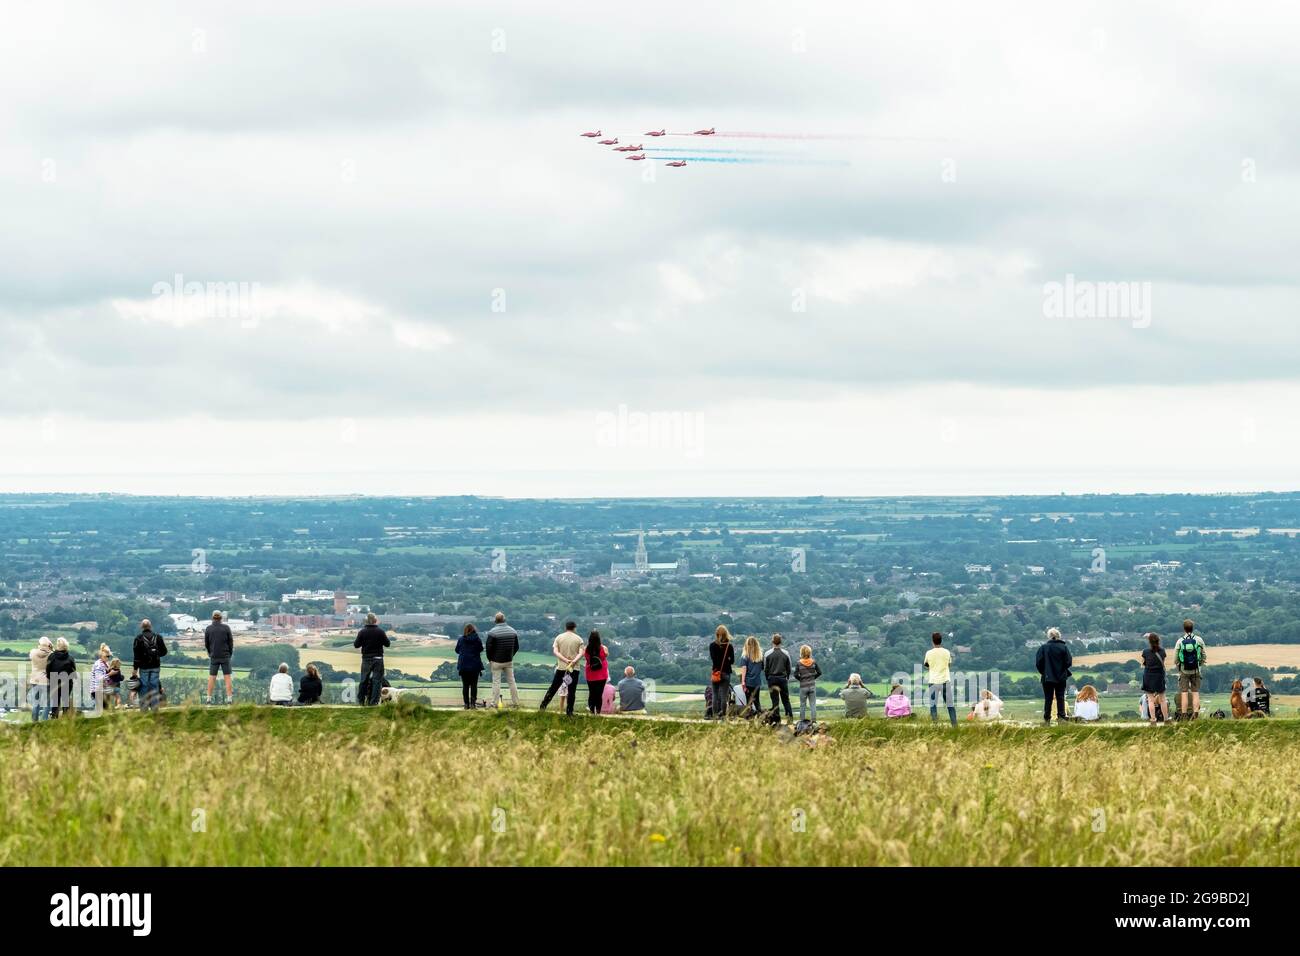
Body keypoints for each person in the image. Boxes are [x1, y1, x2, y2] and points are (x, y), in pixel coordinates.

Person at [540, 620, 583, 715]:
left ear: (565, 627)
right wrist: (573, 661)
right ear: (574, 628)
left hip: (561, 668)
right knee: (572, 691)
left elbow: (555, 652)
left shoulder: (559, 637)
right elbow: (581, 653)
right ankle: (569, 712)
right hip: (574, 668)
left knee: (553, 688)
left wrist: (565, 660)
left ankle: (543, 706)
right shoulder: (579, 639)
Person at [1035, 627, 1072, 724]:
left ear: (1049, 636)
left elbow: (1038, 663)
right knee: (1060, 697)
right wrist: (1062, 669)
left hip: (1047, 677)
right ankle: (1061, 717)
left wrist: (1044, 672)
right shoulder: (1064, 647)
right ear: (1059, 636)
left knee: (1048, 698)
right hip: (1061, 676)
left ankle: (1047, 718)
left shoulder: (1043, 648)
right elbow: (1068, 662)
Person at [484, 612, 520, 709]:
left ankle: (494, 703)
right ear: (504, 620)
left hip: (496, 661)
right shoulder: (513, 631)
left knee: (496, 682)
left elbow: (488, 647)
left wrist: (490, 659)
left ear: (495, 621)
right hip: (508, 661)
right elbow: (517, 646)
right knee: (512, 682)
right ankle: (516, 703)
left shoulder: (492, 632)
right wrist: (511, 655)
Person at [353, 612, 390, 707]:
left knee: (364, 680)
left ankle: (361, 701)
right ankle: (373, 702)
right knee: (377, 681)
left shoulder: (362, 632)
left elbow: (356, 645)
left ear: (366, 621)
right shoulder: (380, 631)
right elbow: (387, 644)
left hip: (366, 659)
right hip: (378, 658)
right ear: (375, 621)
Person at [132, 619, 168, 713]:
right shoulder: (158, 637)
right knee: (154, 687)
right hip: (155, 666)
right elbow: (164, 652)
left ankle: (144, 710)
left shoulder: (138, 638)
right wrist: (156, 655)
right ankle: (155, 709)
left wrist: (135, 669)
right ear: (150, 626)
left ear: (141, 627)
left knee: (144, 687)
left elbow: (136, 656)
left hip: (143, 667)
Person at [1174, 619, 1206, 720]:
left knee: (1184, 693)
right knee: (1195, 692)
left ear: (1184, 629)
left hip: (1183, 670)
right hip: (1196, 670)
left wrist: (1179, 666)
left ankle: (1184, 715)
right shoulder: (1199, 640)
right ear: (1193, 628)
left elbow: (1175, 658)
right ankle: (1195, 714)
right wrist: (1199, 664)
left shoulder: (1180, 641)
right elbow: (1204, 655)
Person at [924, 632, 957, 727]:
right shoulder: (947, 652)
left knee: (933, 705)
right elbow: (949, 664)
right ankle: (954, 725)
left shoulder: (929, 653)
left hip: (933, 681)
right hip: (945, 681)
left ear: (932, 641)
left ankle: (935, 726)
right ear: (941, 641)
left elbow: (926, 665)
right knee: (950, 705)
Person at [204, 610, 235, 705]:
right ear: (221, 618)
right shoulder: (226, 628)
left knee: (212, 677)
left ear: (212, 617)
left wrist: (210, 653)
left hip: (214, 656)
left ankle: (208, 699)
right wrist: (229, 654)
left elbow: (206, 644)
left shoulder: (208, 629)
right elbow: (230, 643)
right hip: (225, 655)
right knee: (227, 677)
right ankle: (229, 699)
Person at [763, 633, 794, 721]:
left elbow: (765, 668)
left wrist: (767, 678)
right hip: (782, 678)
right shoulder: (786, 653)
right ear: (781, 642)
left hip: (772, 679)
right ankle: (790, 718)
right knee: (786, 700)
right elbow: (789, 667)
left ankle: (777, 720)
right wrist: (787, 677)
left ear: (772, 642)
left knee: (775, 701)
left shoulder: (767, 654)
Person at [46, 637, 78, 718]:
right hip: (67, 683)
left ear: (58, 646)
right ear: (66, 646)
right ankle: (65, 718)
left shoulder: (52, 656)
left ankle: (54, 718)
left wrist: (50, 678)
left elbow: (48, 669)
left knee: (55, 702)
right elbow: (74, 672)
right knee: (65, 702)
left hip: (54, 682)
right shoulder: (70, 658)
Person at [455, 623, 485, 709]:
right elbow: (481, 649)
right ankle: (473, 704)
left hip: (463, 665)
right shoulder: (477, 639)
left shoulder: (461, 639)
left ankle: (466, 704)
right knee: (474, 685)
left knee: (465, 685)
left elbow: (457, 650)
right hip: (475, 665)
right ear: (474, 630)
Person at [709, 626, 735, 721]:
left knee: (715, 695)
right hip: (726, 672)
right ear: (726, 634)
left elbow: (713, 659)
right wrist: (727, 659)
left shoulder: (712, 645)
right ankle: (723, 716)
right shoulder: (729, 646)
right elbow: (732, 661)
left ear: (716, 634)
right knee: (724, 696)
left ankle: (715, 716)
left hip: (716, 673)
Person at [1140, 632, 1167, 725]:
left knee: (1150, 700)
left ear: (1149, 642)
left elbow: (1142, 663)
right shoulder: (1162, 651)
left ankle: (1153, 719)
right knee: (1163, 699)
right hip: (1159, 676)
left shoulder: (1145, 652)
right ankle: (1166, 719)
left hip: (1148, 676)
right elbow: (1162, 662)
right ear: (1158, 641)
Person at [584, 630, 609, 715]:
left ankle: (592, 711)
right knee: (599, 694)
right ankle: (598, 712)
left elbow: (586, 658)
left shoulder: (586, 649)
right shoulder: (603, 648)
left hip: (590, 673)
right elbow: (606, 655)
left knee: (591, 693)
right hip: (602, 673)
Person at [794, 644, 822, 722]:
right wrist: (813, 678)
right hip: (812, 686)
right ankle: (814, 721)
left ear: (801, 653)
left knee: (802, 705)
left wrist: (801, 679)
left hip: (803, 686)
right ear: (809, 652)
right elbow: (819, 672)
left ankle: (802, 721)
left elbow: (795, 674)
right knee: (813, 704)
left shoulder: (799, 663)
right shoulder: (813, 662)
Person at [738, 636, 765, 715]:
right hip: (757, 682)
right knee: (757, 701)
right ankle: (760, 716)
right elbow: (762, 668)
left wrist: (743, 681)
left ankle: (750, 717)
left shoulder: (744, 657)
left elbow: (744, 669)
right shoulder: (760, 657)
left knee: (749, 702)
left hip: (748, 682)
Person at [27, 636, 52, 723]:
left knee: (35, 703)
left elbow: (32, 655)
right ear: (48, 645)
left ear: (39, 644)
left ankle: (34, 722)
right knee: (47, 703)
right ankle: (44, 721)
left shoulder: (33, 652)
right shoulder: (51, 654)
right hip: (46, 681)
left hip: (35, 680)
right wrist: (51, 648)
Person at [89, 643, 112, 713]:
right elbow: (99, 678)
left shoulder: (105, 664)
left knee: (104, 710)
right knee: (103, 711)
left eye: (109, 656)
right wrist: (110, 674)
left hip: (102, 690)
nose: (108, 658)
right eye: (106, 656)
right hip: (97, 690)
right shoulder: (99, 665)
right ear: (101, 656)